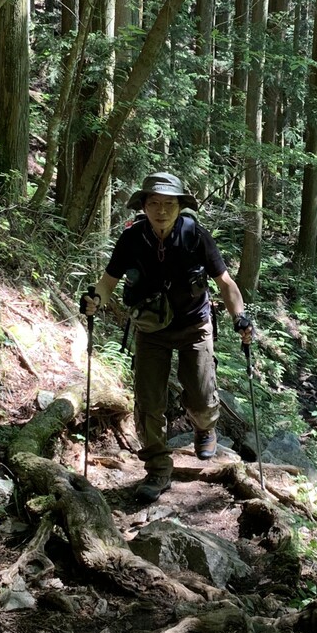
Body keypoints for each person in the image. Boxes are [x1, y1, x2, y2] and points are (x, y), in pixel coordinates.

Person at [81, 173, 253, 503]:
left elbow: (226, 283)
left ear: (179, 206)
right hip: (150, 329)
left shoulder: (195, 236)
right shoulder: (132, 238)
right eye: (155, 203)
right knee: (148, 404)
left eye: (169, 204)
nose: (161, 210)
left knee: (201, 398)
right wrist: (95, 300)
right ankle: (158, 469)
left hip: (194, 325)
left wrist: (239, 317)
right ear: (144, 206)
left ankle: (204, 427)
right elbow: (107, 282)